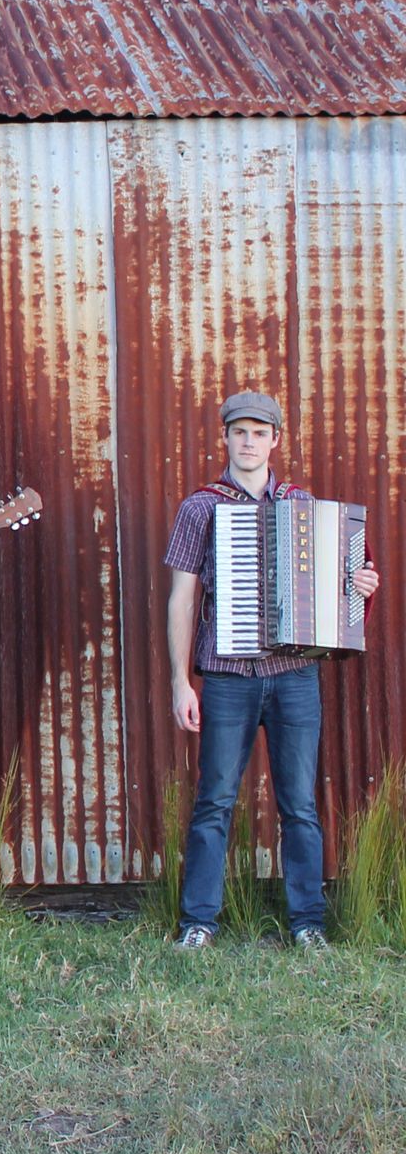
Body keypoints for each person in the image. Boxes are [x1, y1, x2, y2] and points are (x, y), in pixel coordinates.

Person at [164, 390, 380, 951]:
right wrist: (180, 680)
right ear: (226, 437)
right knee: (214, 800)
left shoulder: (303, 506)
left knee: (299, 805)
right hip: (228, 678)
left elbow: (338, 596)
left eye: (260, 432)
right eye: (240, 431)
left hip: (294, 678)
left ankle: (309, 923)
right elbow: (182, 600)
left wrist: (359, 590)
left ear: (276, 440)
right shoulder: (200, 507)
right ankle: (198, 924)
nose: (249, 441)